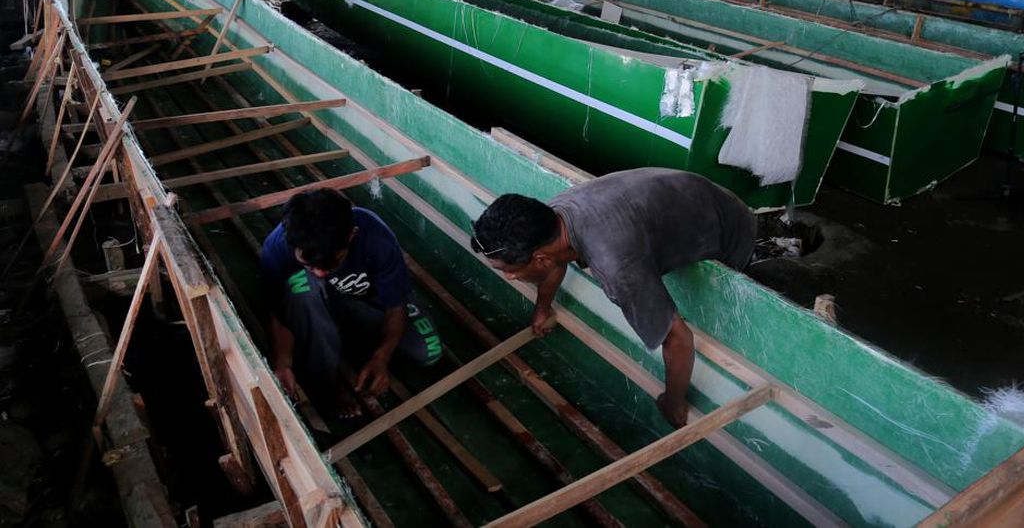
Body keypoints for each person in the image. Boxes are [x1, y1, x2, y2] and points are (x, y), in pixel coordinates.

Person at [470, 168, 757, 428]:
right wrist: (542, 309)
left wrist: (673, 402)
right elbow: (556, 262)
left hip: (730, 231)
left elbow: (679, 339)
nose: (509, 277)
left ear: (540, 259)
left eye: (509, 270)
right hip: (694, 194)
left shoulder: (616, 266)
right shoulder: (552, 218)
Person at [260, 189, 442, 418]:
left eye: (331, 263)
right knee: (300, 285)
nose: (320, 273)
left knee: (428, 351)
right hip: (311, 304)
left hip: (360, 301)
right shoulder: (277, 246)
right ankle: (327, 377)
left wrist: (381, 357)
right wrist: (283, 362)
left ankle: (336, 336)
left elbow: (396, 306)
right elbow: (278, 311)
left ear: (352, 235)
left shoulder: (376, 238)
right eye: (310, 264)